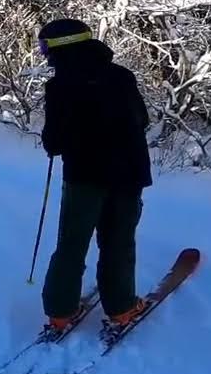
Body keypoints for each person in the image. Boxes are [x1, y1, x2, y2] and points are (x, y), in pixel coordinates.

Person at [37, 18, 152, 337]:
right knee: (118, 242)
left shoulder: (59, 86)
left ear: (62, 48)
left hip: (83, 178)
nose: (44, 54)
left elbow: (54, 141)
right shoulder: (121, 77)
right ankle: (122, 308)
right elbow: (141, 119)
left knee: (71, 243)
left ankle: (60, 313)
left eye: (45, 47)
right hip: (128, 175)